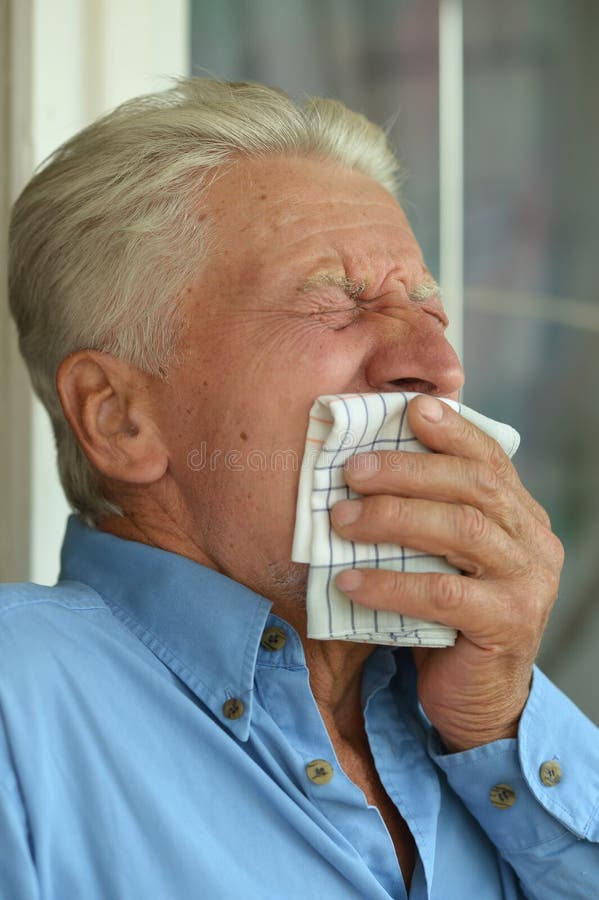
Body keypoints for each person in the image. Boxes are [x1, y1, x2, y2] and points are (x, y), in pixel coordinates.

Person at [2, 79, 597, 900]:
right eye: (337, 306)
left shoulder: (478, 715)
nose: (437, 367)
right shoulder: (18, 703)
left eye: (429, 312)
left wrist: (502, 722)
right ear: (119, 417)